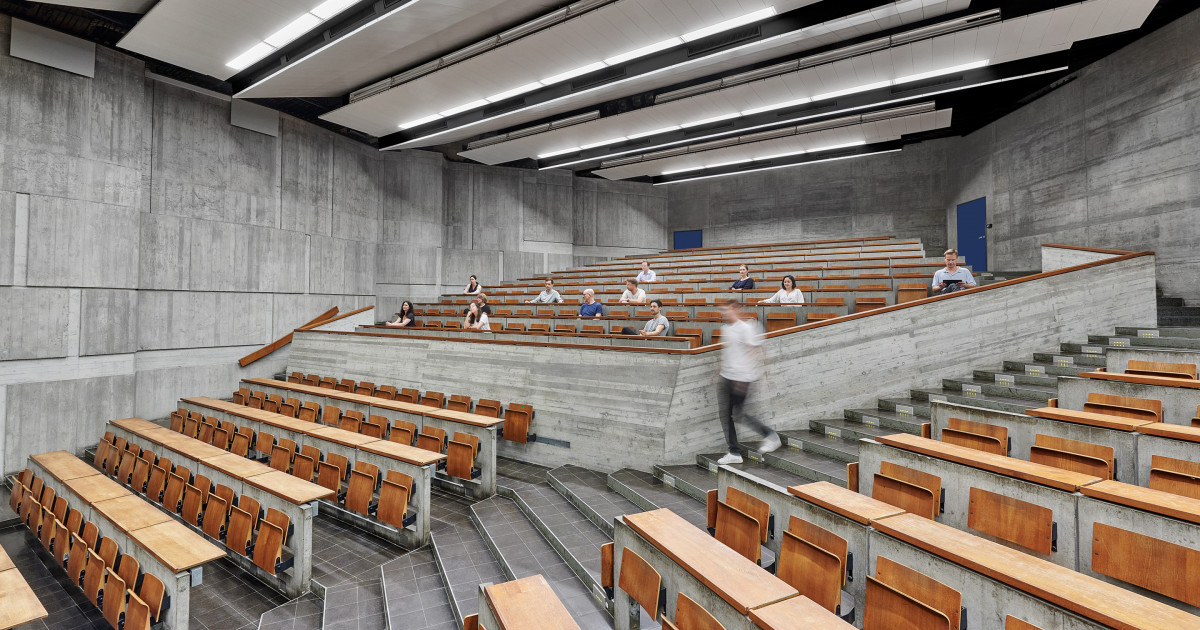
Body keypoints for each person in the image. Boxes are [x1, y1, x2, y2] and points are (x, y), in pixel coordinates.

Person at [715, 299, 781, 465]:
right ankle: (734, 452)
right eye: (723, 310)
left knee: (738, 414)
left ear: (736, 309)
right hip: (727, 377)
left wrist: (749, 377)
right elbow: (727, 351)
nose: (724, 313)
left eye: (727, 309)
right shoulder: (725, 329)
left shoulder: (745, 328)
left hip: (741, 379)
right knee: (727, 416)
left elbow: (755, 352)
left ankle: (770, 435)